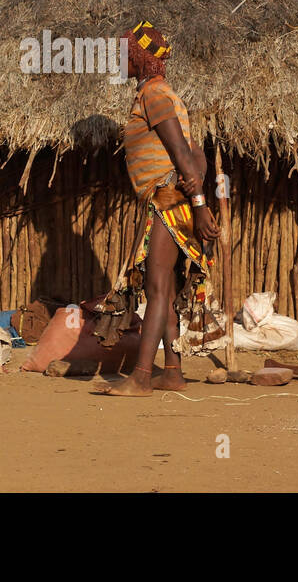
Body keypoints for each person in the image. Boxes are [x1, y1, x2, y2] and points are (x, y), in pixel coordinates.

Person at [102, 21, 220, 396]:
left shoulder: (154, 95)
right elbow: (196, 154)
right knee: (164, 291)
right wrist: (195, 191)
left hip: (168, 202)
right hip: (171, 198)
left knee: (155, 288)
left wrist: (198, 204)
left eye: (125, 53)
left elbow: (185, 155)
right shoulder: (164, 94)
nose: (120, 60)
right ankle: (172, 372)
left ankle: (139, 377)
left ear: (139, 57)